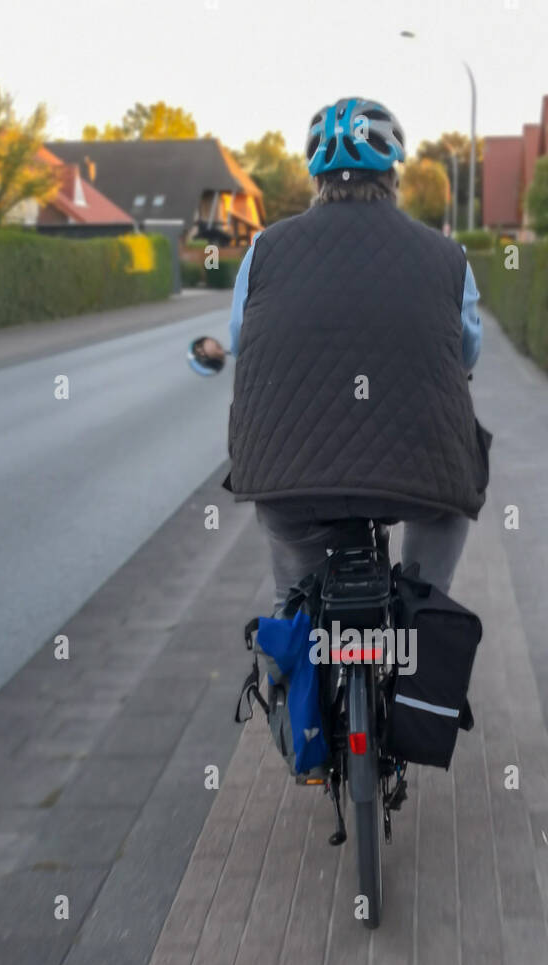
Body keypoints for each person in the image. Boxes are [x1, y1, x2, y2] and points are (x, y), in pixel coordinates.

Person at [190, 97, 489, 611]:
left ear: (316, 180)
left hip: (287, 474)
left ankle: (286, 672)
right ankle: (423, 614)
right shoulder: (446, 255)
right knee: (446, 510)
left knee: (294, 599)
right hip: (418, 475)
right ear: (393, 174)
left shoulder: (265, 249)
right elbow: (467, 350)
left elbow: (242, 336)